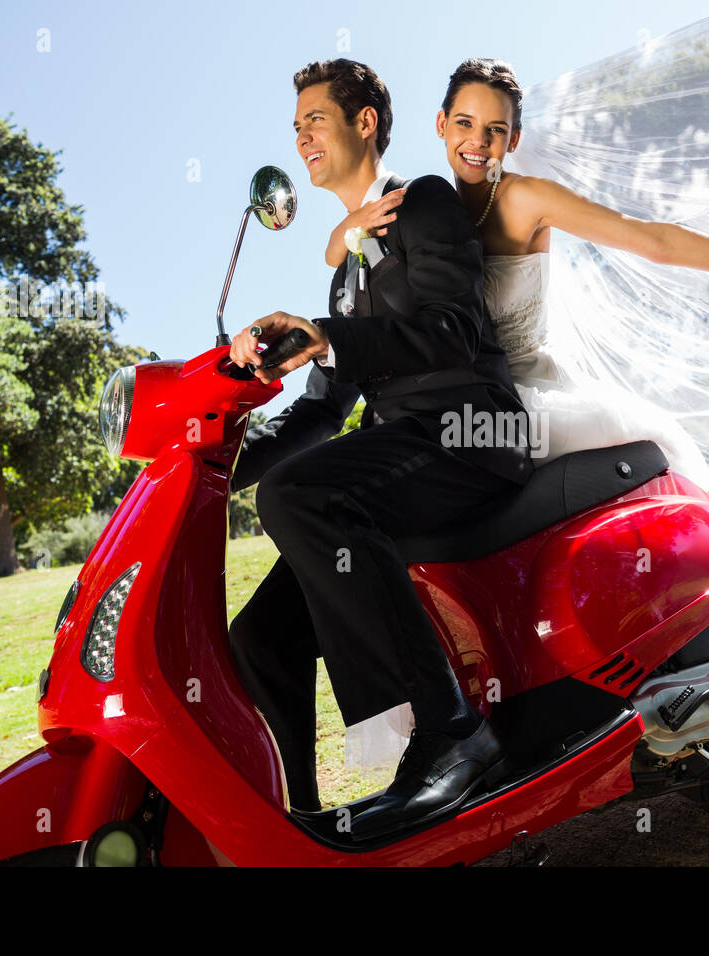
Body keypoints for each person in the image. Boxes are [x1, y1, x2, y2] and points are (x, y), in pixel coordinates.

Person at [333, 56, 709, 770]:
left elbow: (652, 238)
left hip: (526, 400)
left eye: (496, 130)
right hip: (457, 413)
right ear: (440, 126)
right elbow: (346, 264)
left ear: (515, 139)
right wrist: (346, 230)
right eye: (465, 124)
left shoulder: (523, 200)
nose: (479, 142)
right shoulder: (411, 210)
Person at [227, 58, 534, 841]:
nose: (301, 138)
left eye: (315, 120)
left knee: (300, 497)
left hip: (471, 432)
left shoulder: (425, 201)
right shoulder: (340, 278)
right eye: (294, 127)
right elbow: (323, 411)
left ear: (365, 123)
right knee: (260, 636)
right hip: (400, 449)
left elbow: (453, 330)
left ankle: (450, 733)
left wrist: (333, 337)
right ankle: (295, 818)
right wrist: (221, 458)